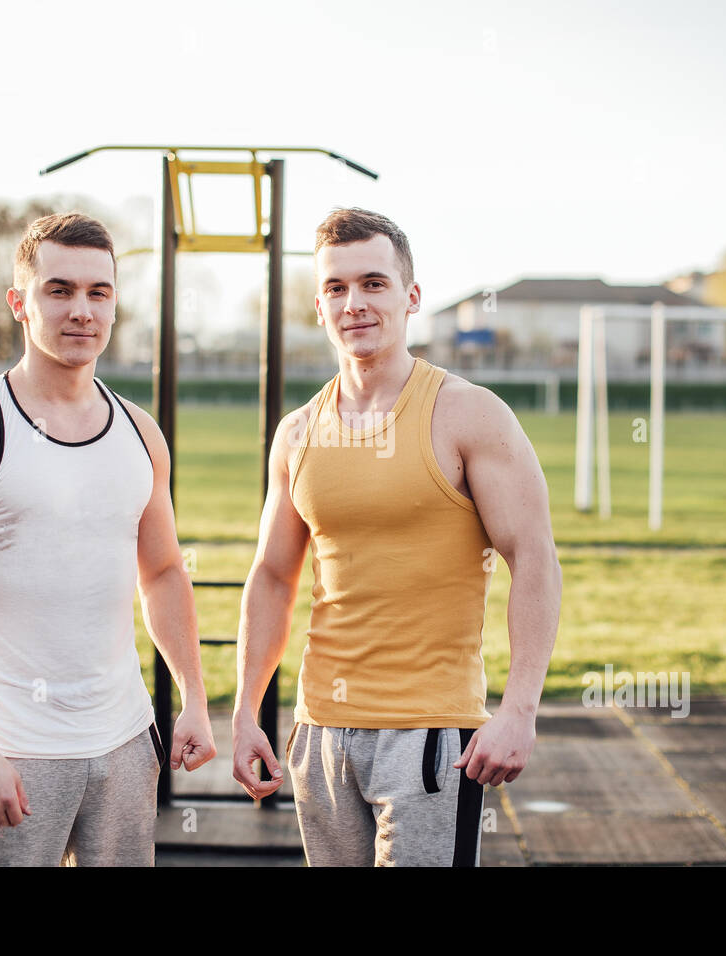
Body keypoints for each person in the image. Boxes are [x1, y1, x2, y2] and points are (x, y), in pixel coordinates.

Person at [231, 207, 562, 866]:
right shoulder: (297, 433)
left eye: (373, 283)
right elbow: (272, 576)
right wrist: (245, 710)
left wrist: (519, 709)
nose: (354, 303)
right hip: (320, 732)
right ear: (319, 305)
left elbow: (534, 558)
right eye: (335, 288)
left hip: (430, 732)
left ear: (411, 298)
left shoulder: (469, 414)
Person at [0, 212, 215, 867]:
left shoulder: (139, 434)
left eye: (98, 293)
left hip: (126, 742)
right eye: (59, 290)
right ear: (20, 302)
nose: (81, 311)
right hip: (11, 750)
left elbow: (161, 573)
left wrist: (192, 700)